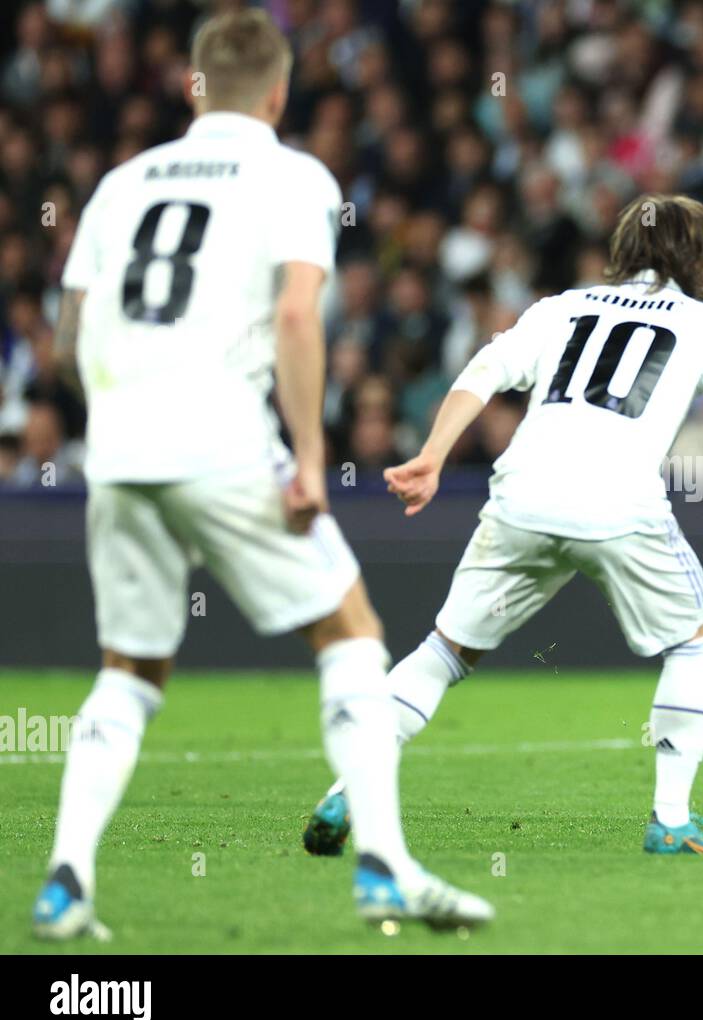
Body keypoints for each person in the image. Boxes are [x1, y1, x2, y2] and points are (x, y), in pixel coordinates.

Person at [32, 9, 491, 940]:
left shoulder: (120, 183)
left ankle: (65, 883)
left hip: (119, 451)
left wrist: (124, 411)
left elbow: (69, 339)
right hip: (224, 437)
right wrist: (311, 459)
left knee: (129, 668)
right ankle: (382, 867)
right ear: (279, 92)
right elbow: (294, 317)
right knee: (351, 633)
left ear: (193, 86)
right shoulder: (293, 175)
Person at [304, 194, 703, 857]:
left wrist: (432, 453)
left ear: (624, 248)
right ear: (699, 255)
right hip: (618, 503)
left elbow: (486, 368)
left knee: (443, 651)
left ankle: (346, 789)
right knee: (693, 642)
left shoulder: (562, 305)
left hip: (522, 493)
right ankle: (672, 820)